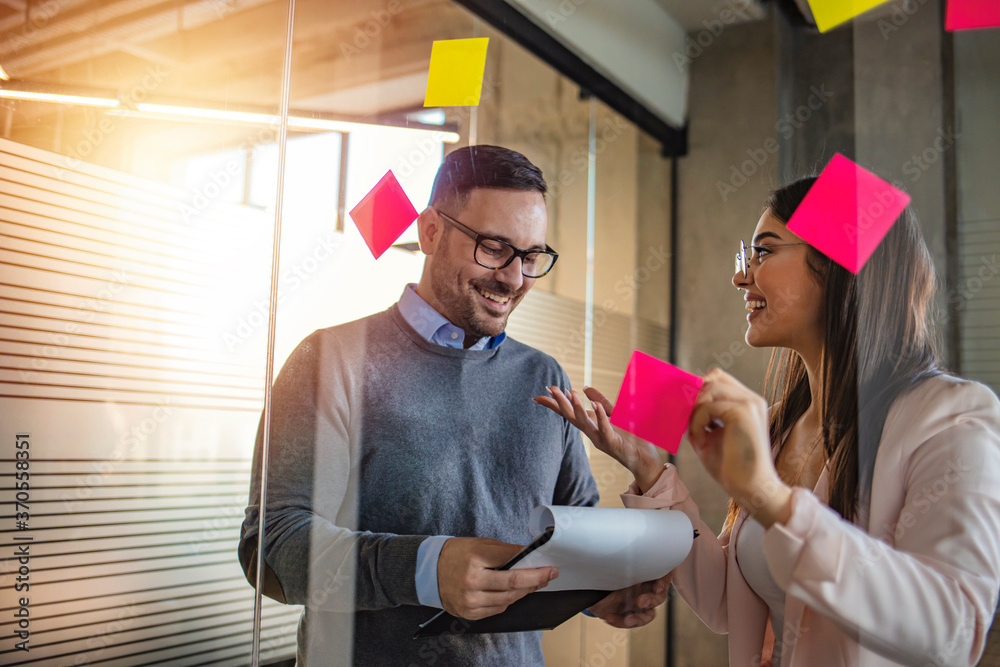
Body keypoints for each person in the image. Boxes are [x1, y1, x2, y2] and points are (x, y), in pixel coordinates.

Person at [537, 176, 1000, 666]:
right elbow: (725, 605)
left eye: (764, 252)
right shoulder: (780, 426)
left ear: (842, 265)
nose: (741, 277)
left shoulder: (951, 417)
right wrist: (650, 470)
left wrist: (772, 499)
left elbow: (953, 630)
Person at [239, 145, 668, 666]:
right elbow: (271, 548)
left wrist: (602, 589)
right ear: (430, 232)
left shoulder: (543, 376)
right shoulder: (330, 361)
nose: (513, 278)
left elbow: (568, 535)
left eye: (530, 257)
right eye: (493, 247)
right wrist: (423, 568)